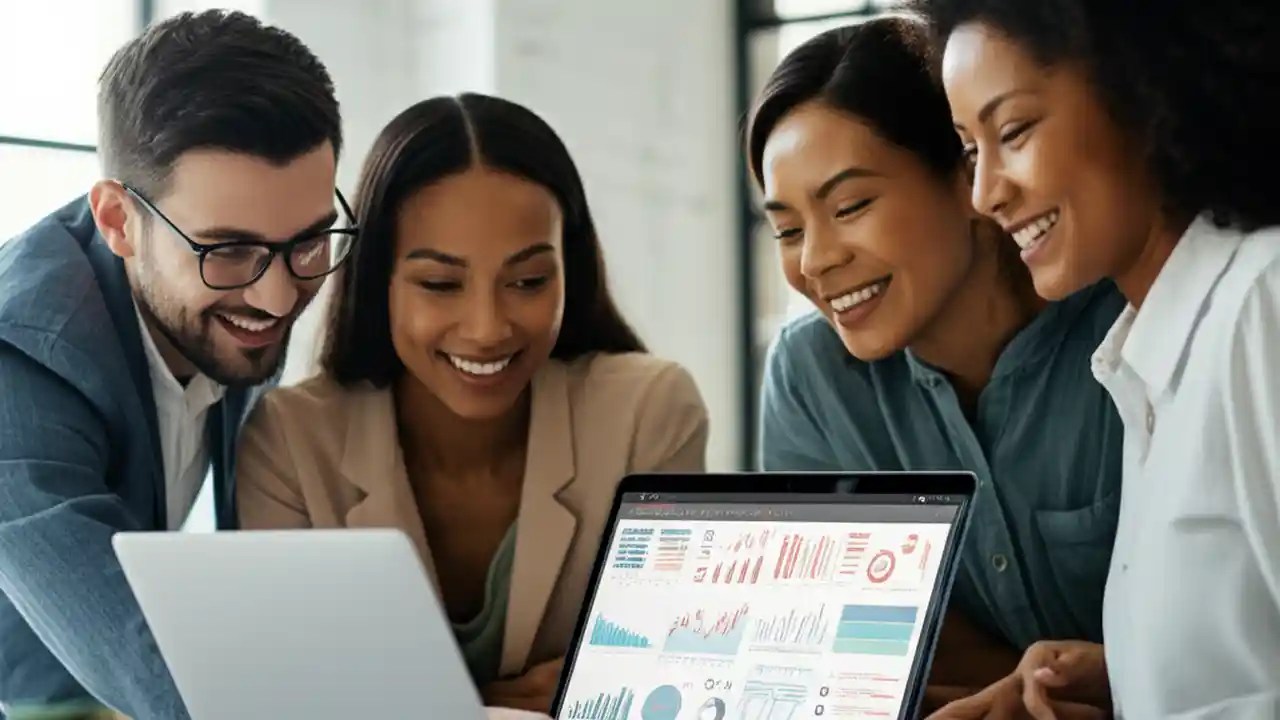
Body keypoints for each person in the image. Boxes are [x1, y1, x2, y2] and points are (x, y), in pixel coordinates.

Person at [235, 93, 710, 714]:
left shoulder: (649, 413)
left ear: (571, 268)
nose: (487, 328)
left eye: (528, 281)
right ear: (378, 280)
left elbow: (674, 679)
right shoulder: (291, 441)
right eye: (440, 284)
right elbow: (291, 702)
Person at [747, 16, 1126, 710]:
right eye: (789, 230)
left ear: (968, 175)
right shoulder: (810, 380)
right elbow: (852, 641)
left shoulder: (1125, 328)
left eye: (851, 205)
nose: (815, 260)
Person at [925, 0, 1280, 717]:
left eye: (1014, 131)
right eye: (970, 152)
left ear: (1141, 90)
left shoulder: (1260, 306)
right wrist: (1135, 682)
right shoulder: (1145, 357)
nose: (986, 192)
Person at [0, 9, 347, 718]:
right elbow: (150, 657)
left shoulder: (216, 297)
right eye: (228, 251)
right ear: (119, 222)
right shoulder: (17, 362)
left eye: (309, 242)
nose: (278, 296)